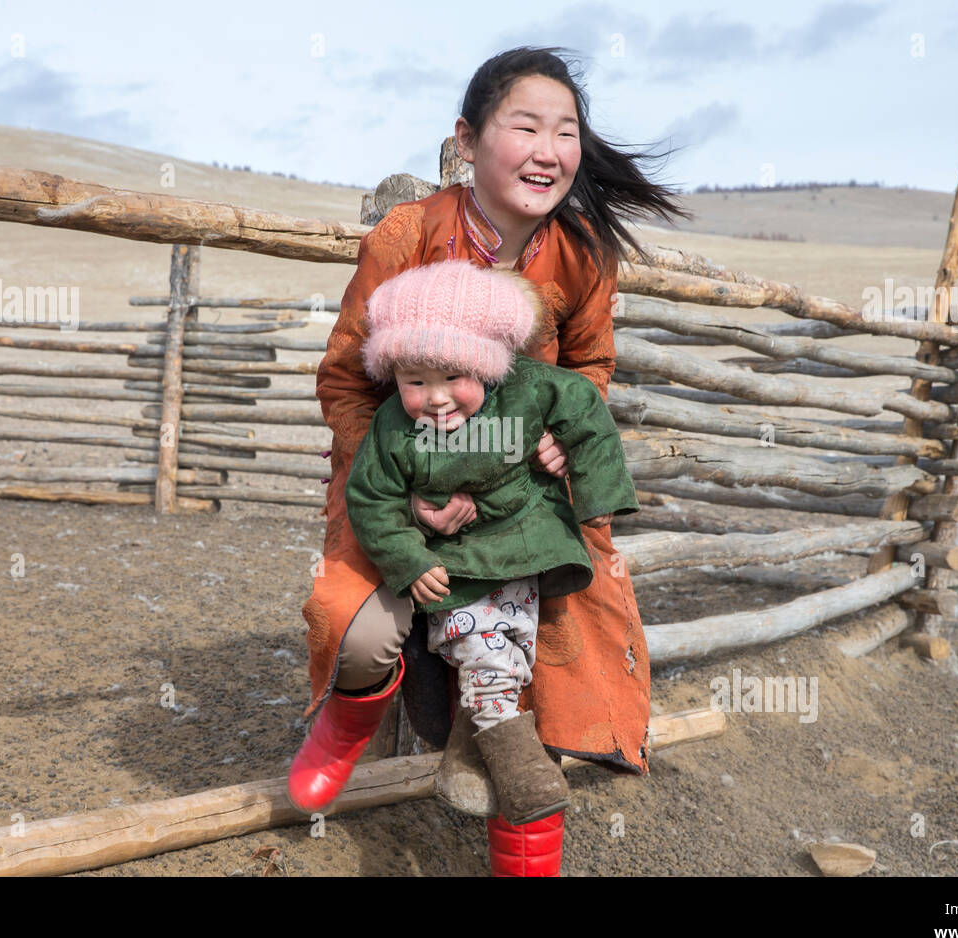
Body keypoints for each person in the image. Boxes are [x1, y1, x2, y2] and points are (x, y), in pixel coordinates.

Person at [290, 45, 692, 876]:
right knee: (354, 621)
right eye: (527, 127)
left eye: (566, 132)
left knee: (569, 643)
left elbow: (590, 365)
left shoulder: (581, 251)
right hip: (397, 481)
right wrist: (406, 495)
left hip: (522, 493)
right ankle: (345, 721)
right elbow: (344, 378)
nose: (550, 151)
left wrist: (563, 440)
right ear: (468, 140)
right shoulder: (407, 235)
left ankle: (522, 841)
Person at [343, 259, 640, 828]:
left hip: (524, 540)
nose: (435, 398)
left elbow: (585, 410)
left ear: (486, 365)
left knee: (513, 642)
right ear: (393, 374)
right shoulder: (392, 428)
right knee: (483, 643)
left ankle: (468, 750)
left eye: (454, 376)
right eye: (414, 382)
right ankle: (520, 768)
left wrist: (598, 492)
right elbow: (372, 498)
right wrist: (408, 557)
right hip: (455, 559)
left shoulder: (527, 389)